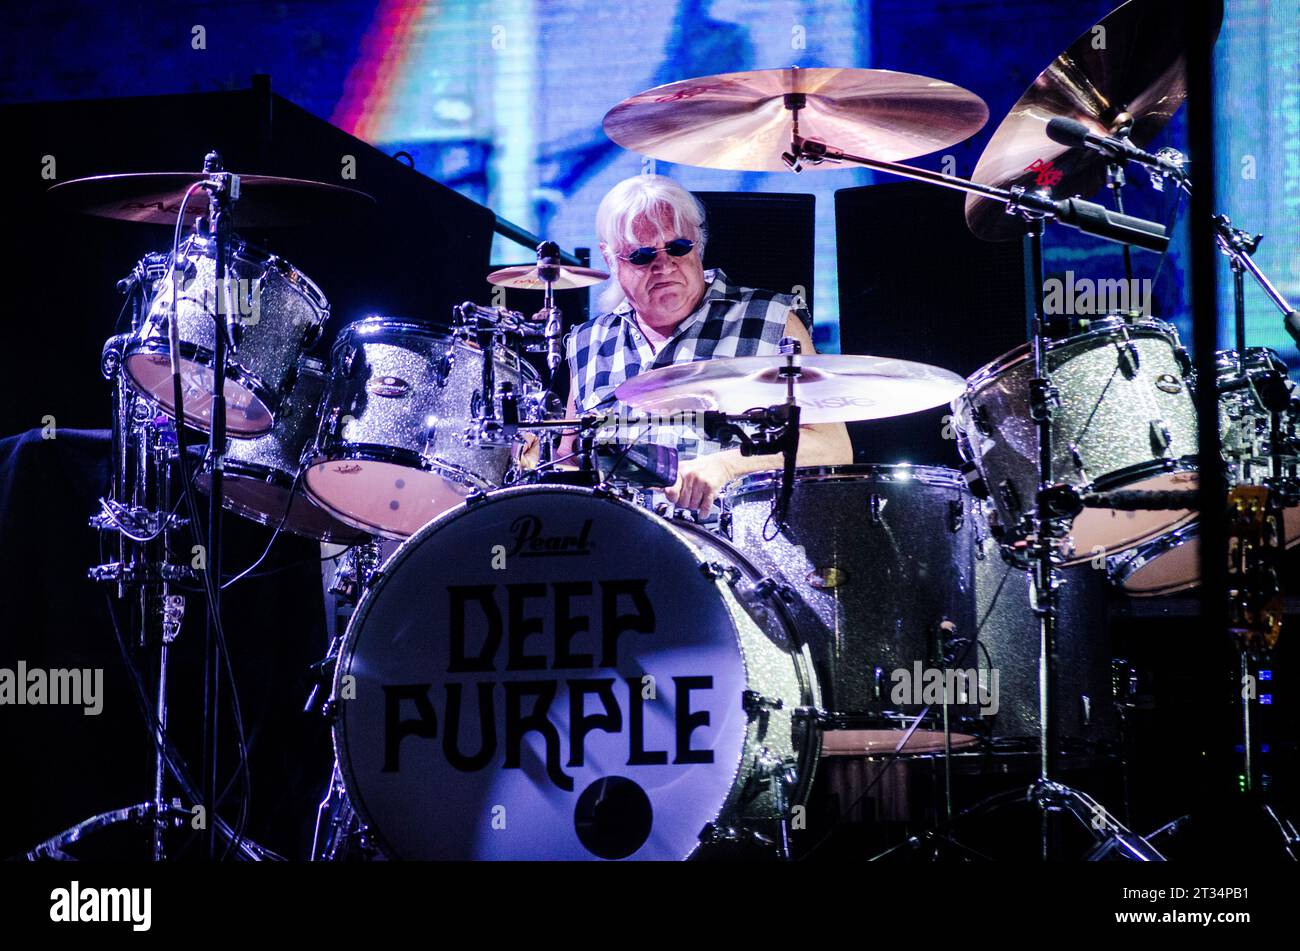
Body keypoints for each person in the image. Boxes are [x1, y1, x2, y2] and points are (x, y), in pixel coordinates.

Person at [560, 174, 852, 517]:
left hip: (732, 547)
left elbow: (833, 446)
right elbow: (569, 460)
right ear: (609, 259)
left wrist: (727, 466)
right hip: (619, 546)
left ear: (698, 243)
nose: (664, 265)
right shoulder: (587, 341)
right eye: (641, 255)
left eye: (678, 248)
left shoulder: (772, 320)